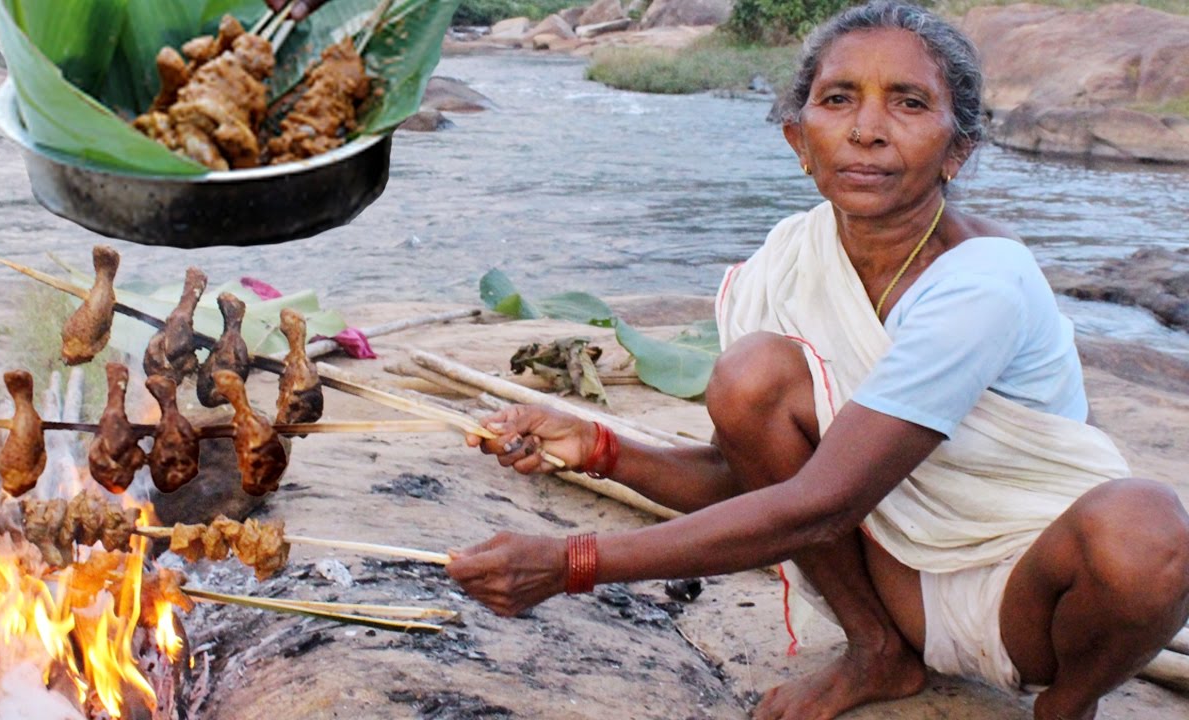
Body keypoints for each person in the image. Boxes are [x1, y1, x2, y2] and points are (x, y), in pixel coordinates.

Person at [443, 3, 1189, 719]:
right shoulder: (789, 262)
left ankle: (1069, 705)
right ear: (799, 140)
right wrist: (599, 449)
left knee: (1146, 528)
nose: (867, 131)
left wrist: (570, 563)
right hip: (900, 584)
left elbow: (823, 502)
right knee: (751, 376)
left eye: (908, 103)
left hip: (1038, 604)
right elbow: (748, 483)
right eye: (838, 99)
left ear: (959, 149)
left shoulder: (980, 281)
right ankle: (878, 651)